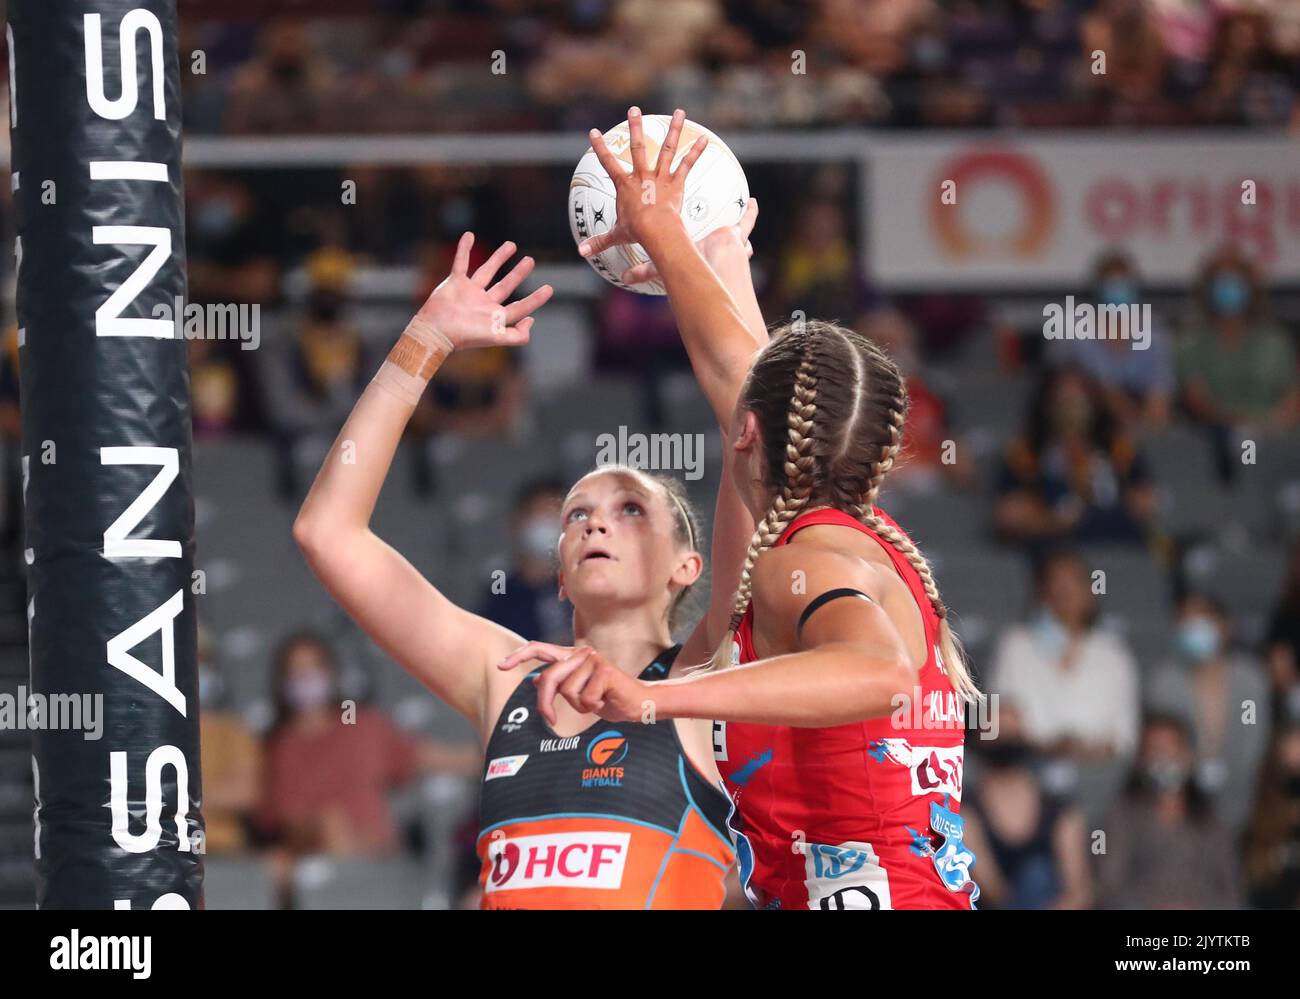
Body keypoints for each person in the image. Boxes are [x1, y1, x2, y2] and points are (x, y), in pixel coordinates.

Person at [506, 106, 980, 910]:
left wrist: (653, 696)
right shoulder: (847, 534)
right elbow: (744, 377)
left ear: (750, 434)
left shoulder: (807, 559)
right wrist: (714, 247)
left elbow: (879, 672)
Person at [295, 149, 765, 908]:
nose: (592, 524)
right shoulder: (506, 675)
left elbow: (756, 428)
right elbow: (329, 533)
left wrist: (709, 264)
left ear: (687, 565)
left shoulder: (704, 681)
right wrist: (426, 341)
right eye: (576, 512)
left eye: (629, 509)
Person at [1144, 591, 1271, 834]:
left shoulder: (1249, 680)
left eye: (1201, 622)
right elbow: (1160, 750)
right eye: (1185, 624)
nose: (1193, 630)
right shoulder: (1163, 683)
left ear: (1225, 627)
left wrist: (1227, 781)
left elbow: (1253, 746)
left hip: (1243, 799)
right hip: (1178, 803)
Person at [1095, 714, 1241, 909]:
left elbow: (1230, 889)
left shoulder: (1212, 819)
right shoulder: (1121, 816)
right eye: (1155, 750)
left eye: (1171, 749)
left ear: (1188, 755)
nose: (1164, 757)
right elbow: (1109, 885)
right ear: (1141, 759)